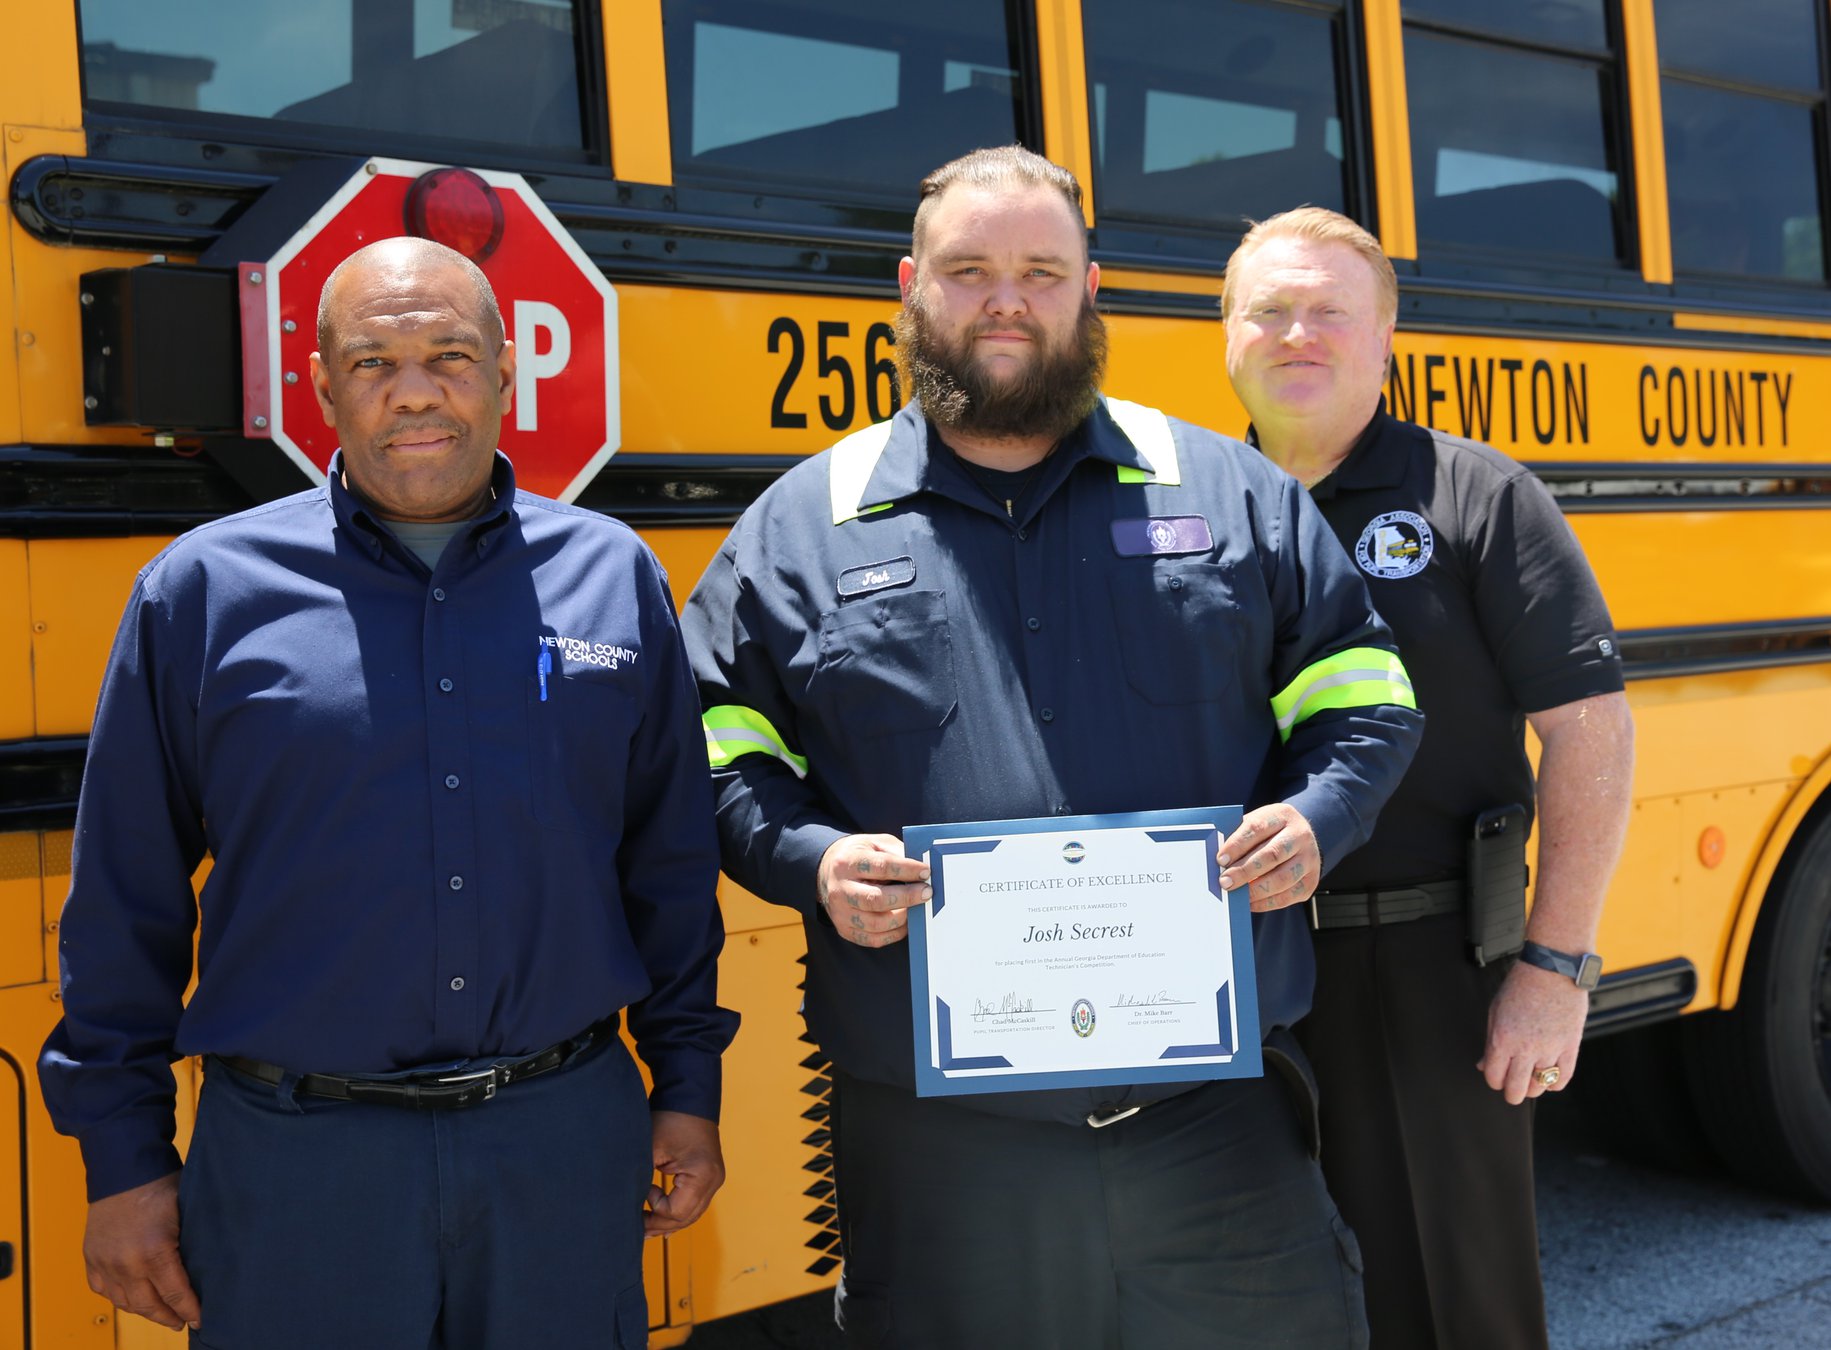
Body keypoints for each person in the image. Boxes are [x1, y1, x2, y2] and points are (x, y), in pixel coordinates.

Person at [681, 146, 1424, 1350]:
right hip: (941, 1154)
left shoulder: (1231, 493)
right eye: (970, 271)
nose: (1006, 300)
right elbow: (715, 745)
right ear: (910, 290)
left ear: (1093, 290)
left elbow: (1366, 693)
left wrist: (1320, 817)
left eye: (1041, 270)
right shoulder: (803, 526)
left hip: (1213, 1130)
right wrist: (806, 860)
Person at [38, 237, 737, 1349]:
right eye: (371, 361)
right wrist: (123, 1165)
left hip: (558, 1148)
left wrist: (687, 1085)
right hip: (297, 1170)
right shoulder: (201, 593)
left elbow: (666, 866)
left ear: (509, 372)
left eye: (450, 354)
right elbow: (124, 901)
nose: (414, 390)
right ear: (320, 386)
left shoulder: (614, 575)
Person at [1222, 207, 1635, 1350]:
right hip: (1223, 966)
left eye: (1330, 313)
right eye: (1271, 310)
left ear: (1385, 339)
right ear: (1226, 334)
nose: (1298, 334)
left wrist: (1554, 969)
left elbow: (1590, 730)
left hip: (1430, 965)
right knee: (1234, 1289)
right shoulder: (1182, 511)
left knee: (1451, 1305)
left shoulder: (1478, 500)